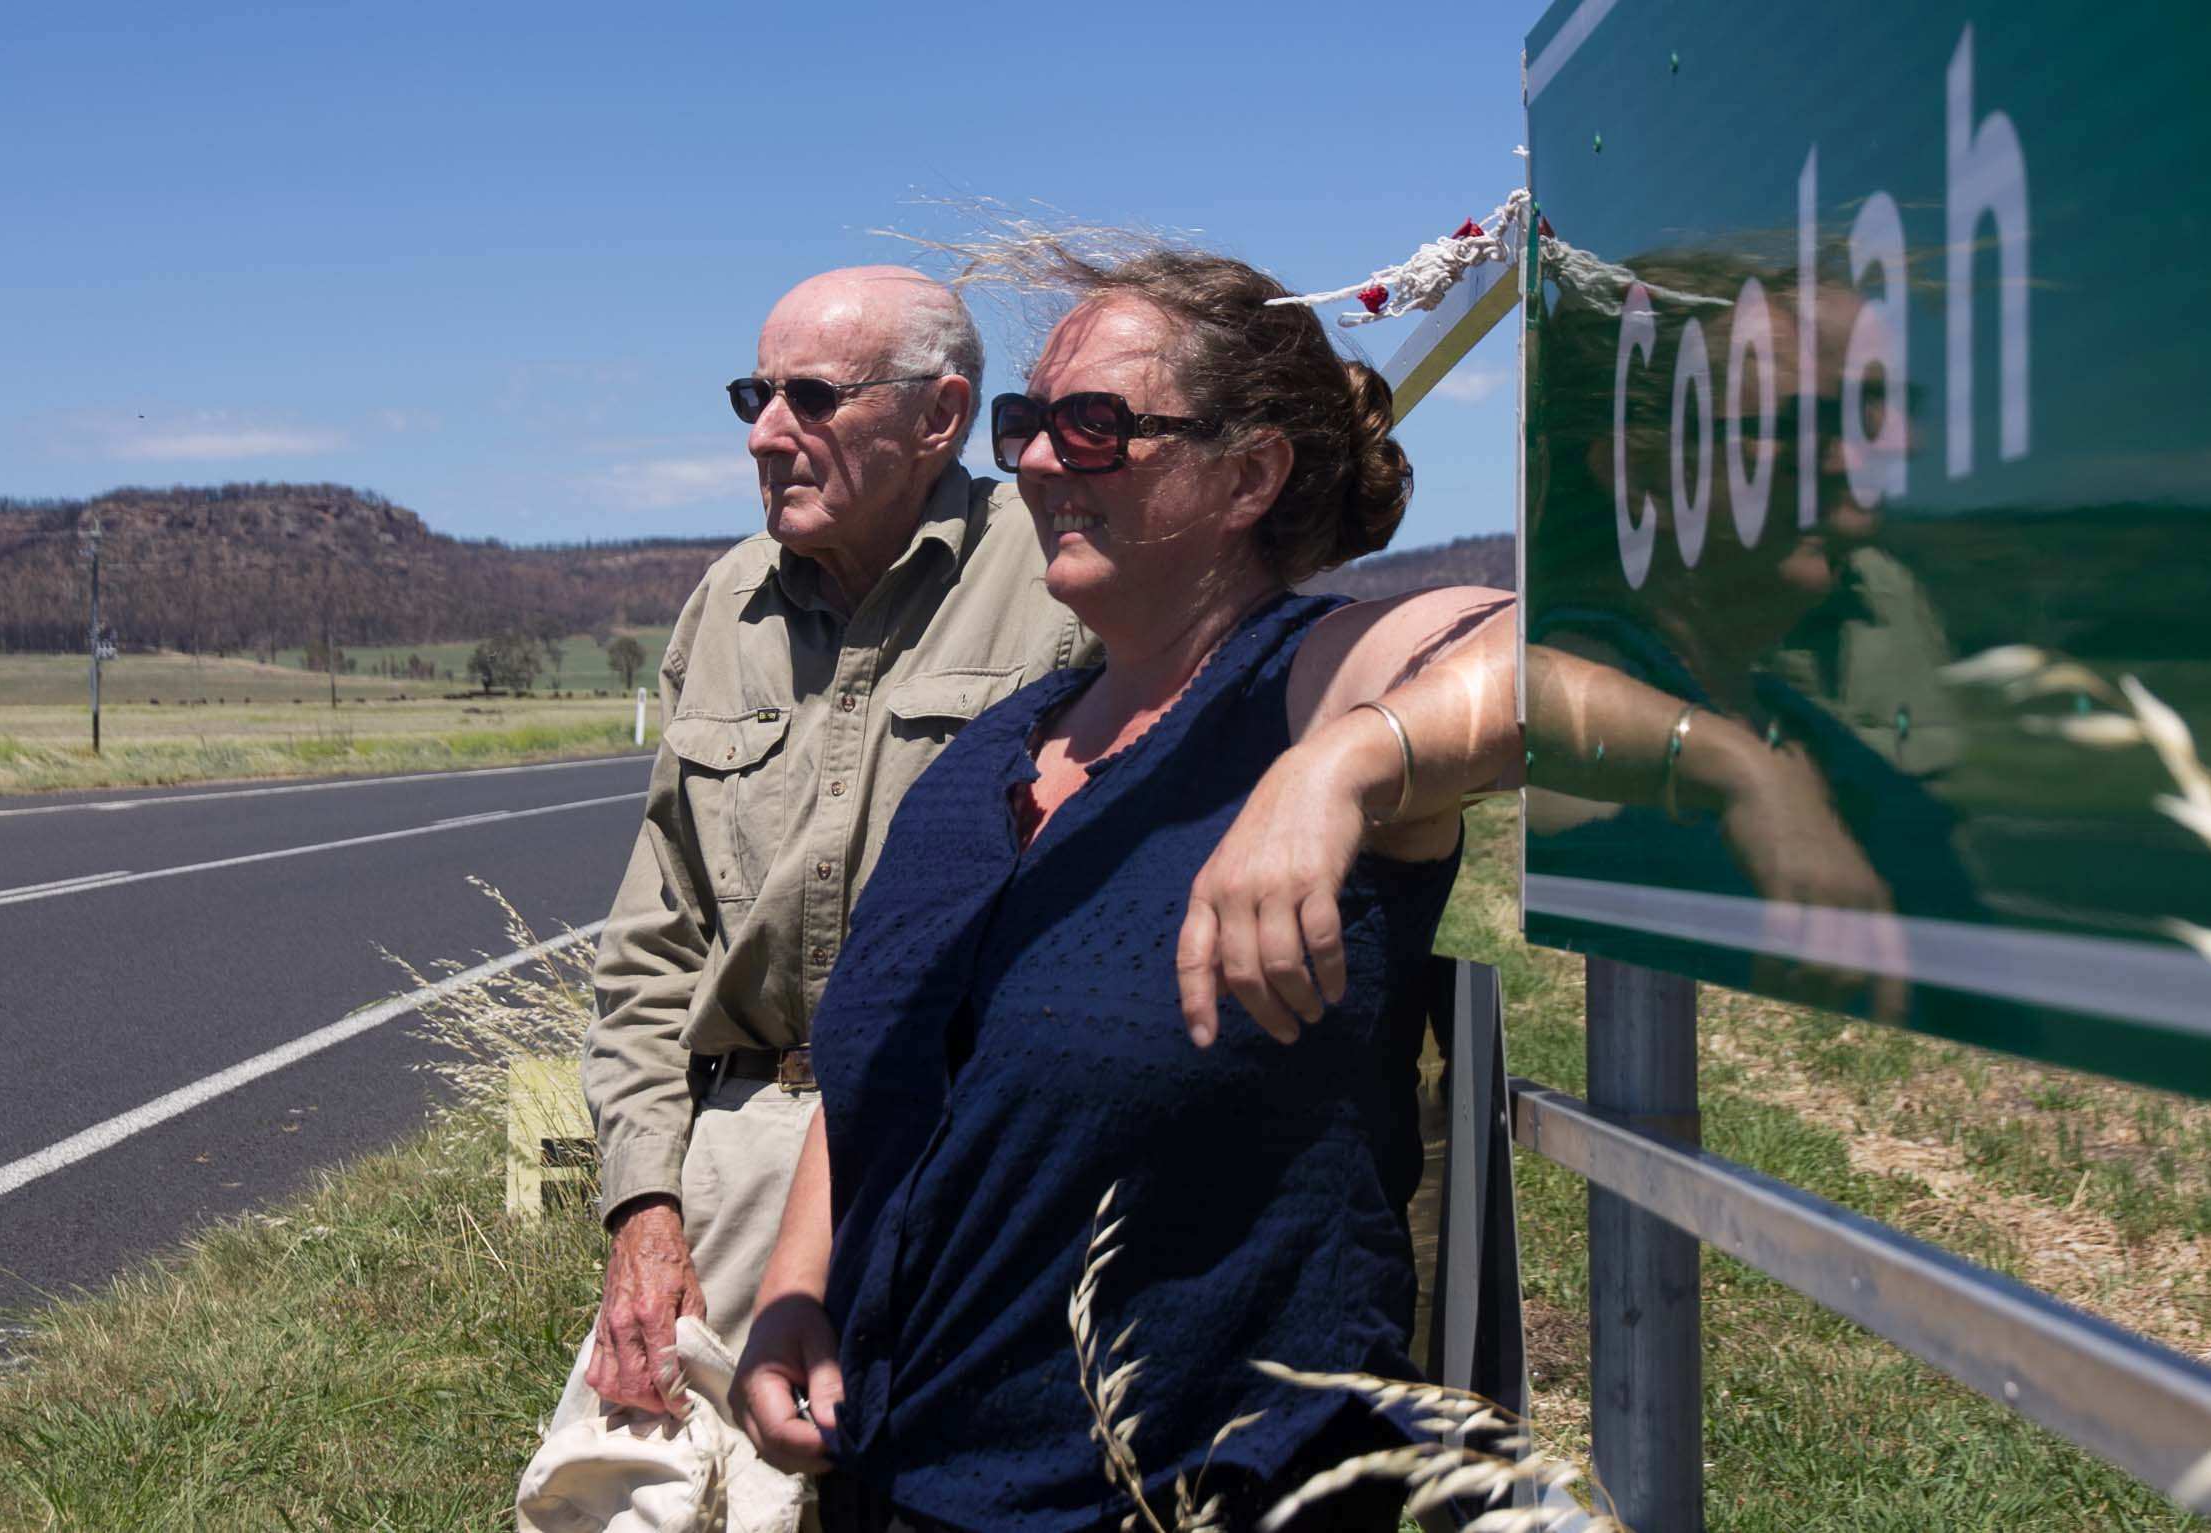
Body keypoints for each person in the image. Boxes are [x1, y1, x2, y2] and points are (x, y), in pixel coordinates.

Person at [729, 247, 1525, 1532]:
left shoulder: (1301, 683)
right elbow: (887, 1063)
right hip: (892, 1479)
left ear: (1248, 474)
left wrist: (1339, 769)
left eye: (1096, 426)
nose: (1037, 462)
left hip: (1186, 1497)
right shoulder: (986, 760)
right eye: (1027, 424)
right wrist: (794, 1290)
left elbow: (1558, 653)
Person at [577, 265, 1096, 1424]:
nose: (767, 435)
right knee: (634, 1495)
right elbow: (656, 948)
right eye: (754, 396)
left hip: (965, 1156)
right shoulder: (726, 604)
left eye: (812, 398)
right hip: (742, 1151)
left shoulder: (1064, 579)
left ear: (941, 417)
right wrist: (647, 1211)